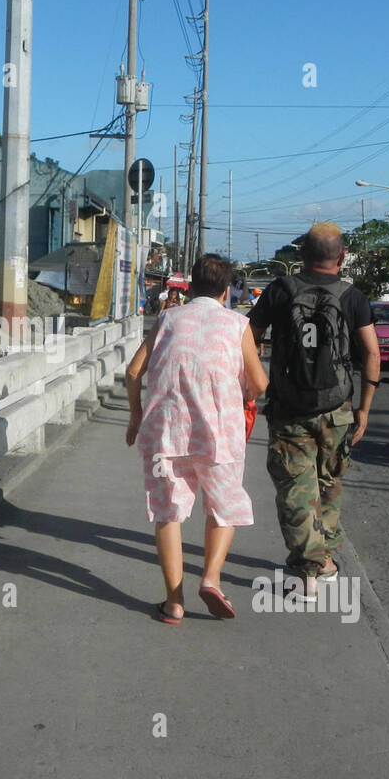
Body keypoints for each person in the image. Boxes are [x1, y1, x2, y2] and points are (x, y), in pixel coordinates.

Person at [125, 254, 269, 624]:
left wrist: (136, 416)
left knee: (168, 514)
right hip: (219, 436)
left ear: (189, 287)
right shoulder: (238, 325)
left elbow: (133, 371)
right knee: (224, 507)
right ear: (227, 290)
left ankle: (174, 602)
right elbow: (260, 384)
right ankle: (211, 578)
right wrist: (241, 392)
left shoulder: (169, 318)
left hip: (165, 434)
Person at [247, 223, 380, 600]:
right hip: (336, 409)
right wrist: (364, 409)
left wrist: (255, 384)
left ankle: (307, 571)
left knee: (295, 488)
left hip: (288, 408)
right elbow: (372, 353)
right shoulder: (353, 297)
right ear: (341, 257)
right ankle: (324, 560)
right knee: (328, 482)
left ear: (301, 255)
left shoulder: (279, 290)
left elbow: (247, 337)